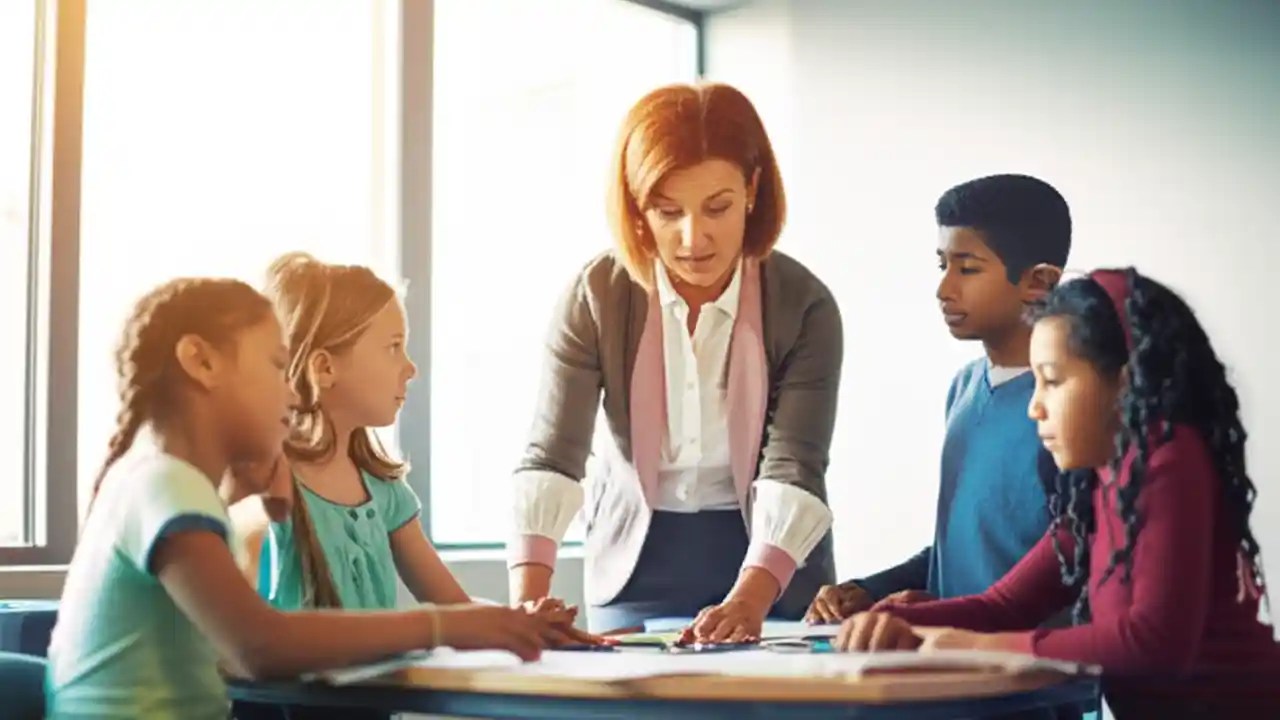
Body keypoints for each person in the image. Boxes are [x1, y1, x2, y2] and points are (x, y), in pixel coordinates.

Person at [46, 278, 549, 720]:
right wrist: (441, 625)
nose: (291, 393)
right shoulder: (165, 483)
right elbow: (259, 646)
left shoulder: (160, 483)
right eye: (275, 364)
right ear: (202, 361)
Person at [836, 268, 1280, 718]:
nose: (1035, 407)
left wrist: (979, 647)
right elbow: (1006, 605)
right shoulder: (1098, 486)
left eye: (1052, 380)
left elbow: (1155, 644)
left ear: (1124, 383)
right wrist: (896, 622)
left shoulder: (1169, 456)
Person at [507, 81, 842, 639]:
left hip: (771, 565)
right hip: (636, 561)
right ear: (638, 209)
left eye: (718, 207)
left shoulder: (805, 304)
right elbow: (552, 455)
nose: (694, 239)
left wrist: (748, 601)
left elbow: (795, 464)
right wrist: (526, 609)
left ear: (753, 190)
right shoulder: (596, 295)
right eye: (667, 212)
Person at [230, 254, 594, 720]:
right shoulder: (260, 488)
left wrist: (520, 623)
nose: (410, 368)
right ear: (325, 368)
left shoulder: (385, 492)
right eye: (393, 347)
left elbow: (453, 608)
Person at [807, 174, 1069, 623]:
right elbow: (960, 552)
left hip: (1037, 684)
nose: (944, 289)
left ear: (1039, 281)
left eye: (967, 269)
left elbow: (1075, 564)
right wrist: (869, 590)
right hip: (955, 671)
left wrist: (946, 614)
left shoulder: (1072, 406)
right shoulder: (964, 390)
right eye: (942, 265)